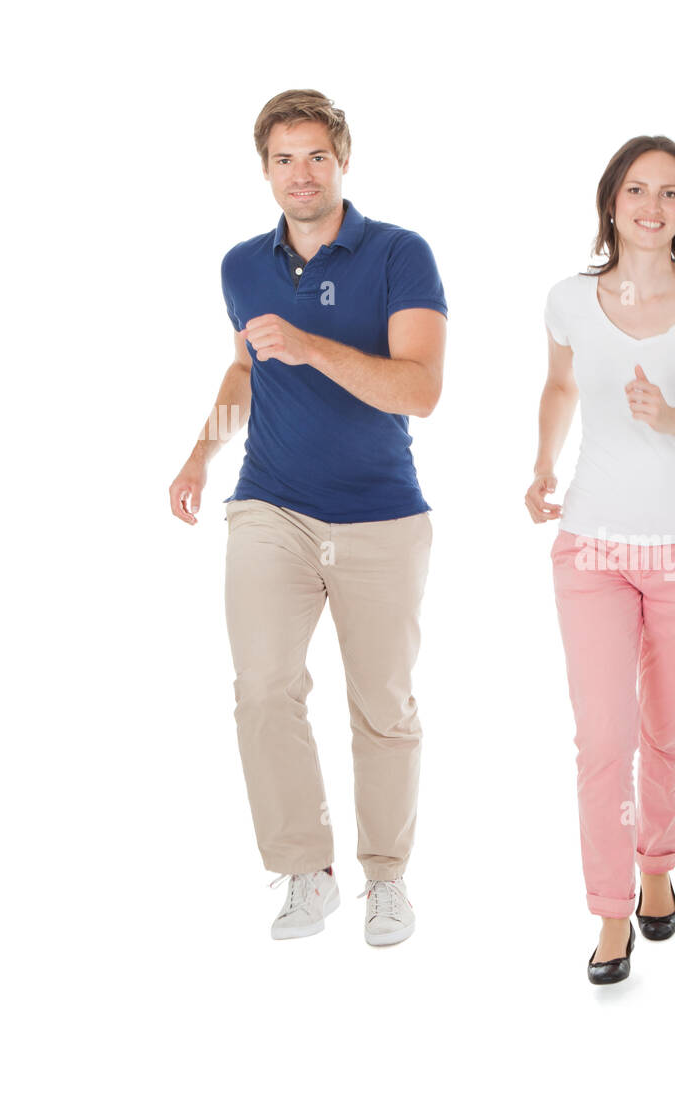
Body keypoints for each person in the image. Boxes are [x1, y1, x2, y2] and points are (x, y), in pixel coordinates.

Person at [168, 89, 447, 946]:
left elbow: (421, 389)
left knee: (383, 705)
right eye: (283, 158)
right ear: (264, 170)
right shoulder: (240, 266)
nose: (301, 173)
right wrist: (198, 453)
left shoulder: (401, 253)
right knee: (262, 688)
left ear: (343, 162)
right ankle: (304, 871)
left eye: (316, 156)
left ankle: (387, 880)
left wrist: (311, 343)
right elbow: (245, 372)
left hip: (381, 515)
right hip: (270, 504)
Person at [526, 136, 675, 984]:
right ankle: (610, 913)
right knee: (602, 738)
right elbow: (558, 386)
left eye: (668, 193)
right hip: (592, 545)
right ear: (610, 203)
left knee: (666, 728)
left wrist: (667, 416)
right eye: (635, 191)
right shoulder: (568, 299)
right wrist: (543, 463)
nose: (651, 207)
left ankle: (659, 863)